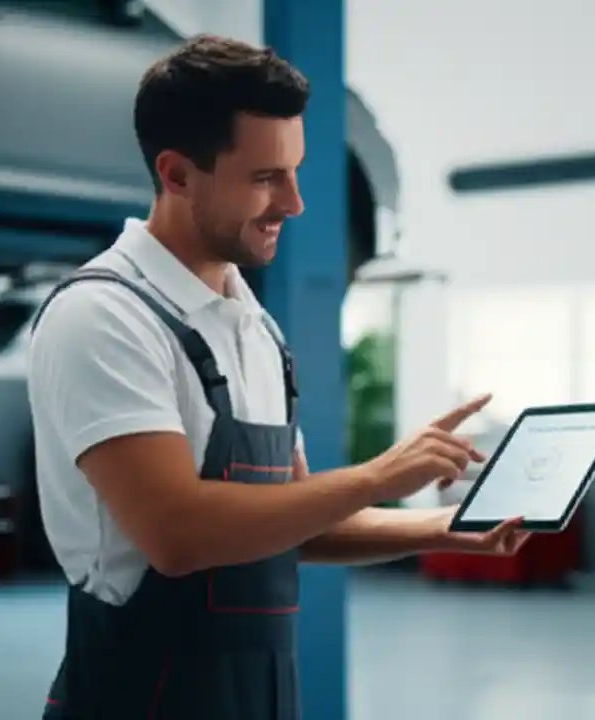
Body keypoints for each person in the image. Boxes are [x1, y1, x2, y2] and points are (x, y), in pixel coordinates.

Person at [26, 35, 529, 720]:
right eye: (265, 177)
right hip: (137, 698)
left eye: (294, 172)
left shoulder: (251, 324)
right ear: (175, 174)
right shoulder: (104, 315)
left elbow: (297, 519)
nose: (293, 203)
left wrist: (443, 528)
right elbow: (176, 534)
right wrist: (381, 474)